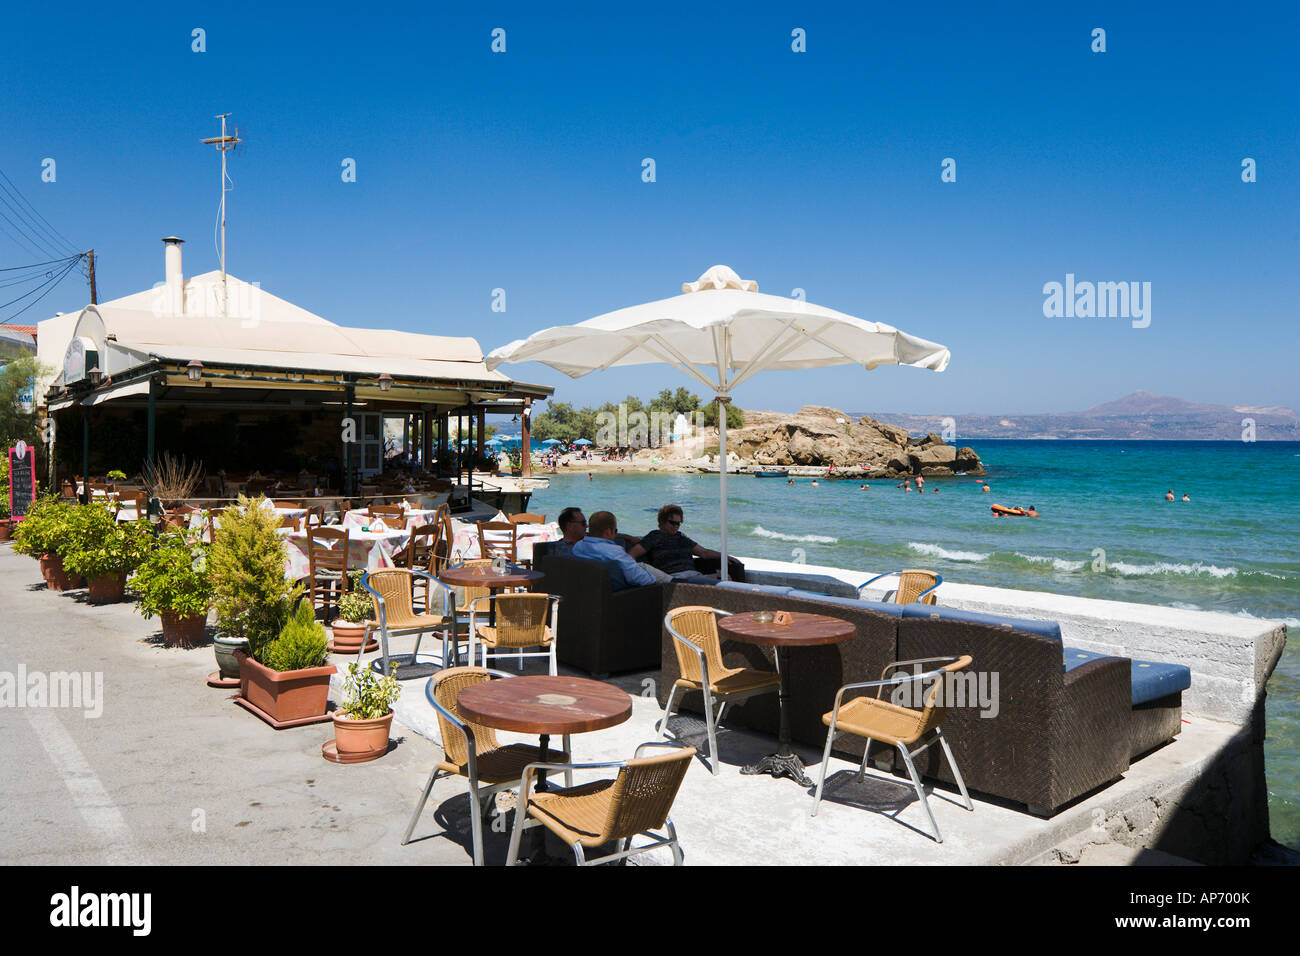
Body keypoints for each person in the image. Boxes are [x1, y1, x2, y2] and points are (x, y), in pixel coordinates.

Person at [629, 504, 728, 582]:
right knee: (721, 582)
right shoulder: (655, 536)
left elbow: (704, 552)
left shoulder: (681, 537)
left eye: (678, 523)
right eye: (672, 522)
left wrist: (724, 557)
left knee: (726, 577)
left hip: (694, 575)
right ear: (662, 521)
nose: (676, 526)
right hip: (674, 578)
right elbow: (632, 555)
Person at [572, 511, 656, 590]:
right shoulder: (615, 552)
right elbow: (644, 580)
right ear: (608, 532)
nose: (615, 535)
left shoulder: (578, 546)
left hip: (589, 592)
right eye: (615, 531)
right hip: (622, 597)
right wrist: (654, 579)